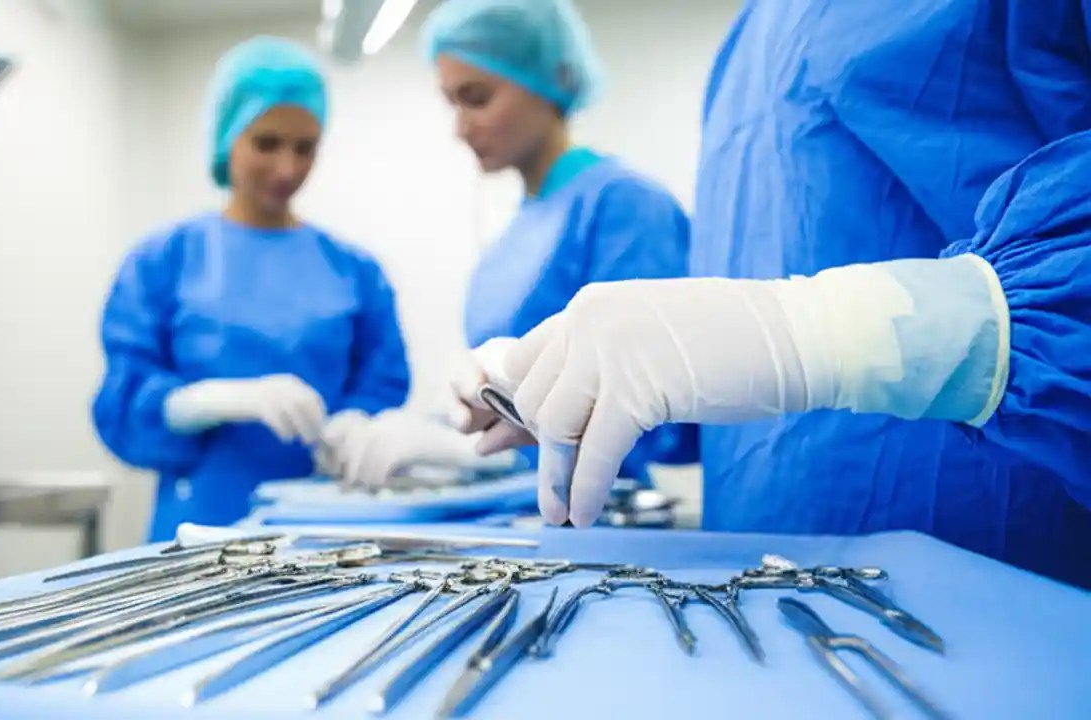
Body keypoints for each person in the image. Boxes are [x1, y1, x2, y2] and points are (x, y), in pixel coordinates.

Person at [455, 0, 1091, 587]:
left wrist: (843, 337)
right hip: (757, 566)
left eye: (475, 96)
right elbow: (704, 393)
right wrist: (571, 394)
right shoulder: (750, 39)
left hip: (998, 566)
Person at [323, 0, 695, 494]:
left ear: (554, 78)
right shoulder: (518, 230)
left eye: (476, 98)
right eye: (451, 102)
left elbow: (654, 410)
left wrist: (491, 456)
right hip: (512, 514)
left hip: (597, 514)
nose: (459, 127)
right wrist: (441, 431)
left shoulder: (624, 205)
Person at [93, 37, 410, 541]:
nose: (287, 168)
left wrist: (358, 424)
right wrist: (202, 401)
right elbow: (124, 404)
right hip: (199, 532)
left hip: (333, 534)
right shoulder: (164, 260)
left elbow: (383, 384)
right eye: (267, 144)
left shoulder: (355, 270)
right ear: (227, 137)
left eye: (305, 148)